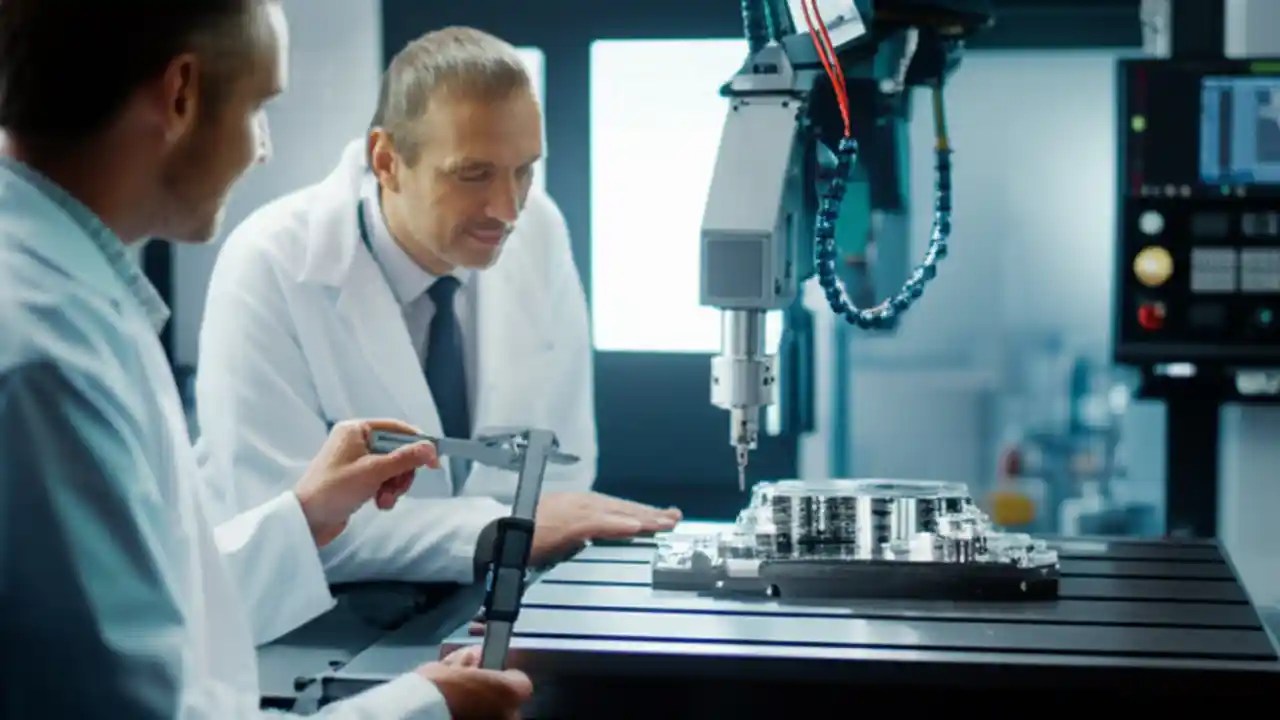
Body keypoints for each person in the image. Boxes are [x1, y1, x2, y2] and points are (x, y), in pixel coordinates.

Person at [0, 1, 531, 717]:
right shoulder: (48, 364)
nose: (262, 149)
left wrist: (305, 517)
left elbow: (156, 608)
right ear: (181, 94)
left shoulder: (67, 305)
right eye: (260, 107)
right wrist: (423, 708)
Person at [193, 25, 682, 589]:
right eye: (473, 174)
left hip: (483, 599)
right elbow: (283, 523)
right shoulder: (270, 262)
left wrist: (513, 535)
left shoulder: (538, 227)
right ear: (387, 160)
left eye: (524, 169)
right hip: (303, 619)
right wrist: (501, 530)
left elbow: (563, 466)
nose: (507, 209)